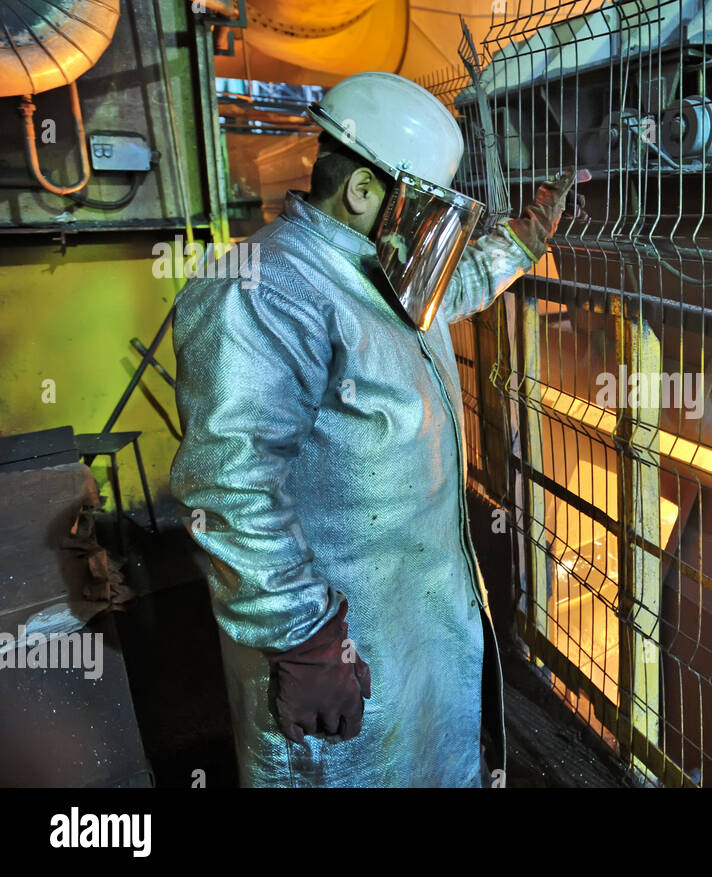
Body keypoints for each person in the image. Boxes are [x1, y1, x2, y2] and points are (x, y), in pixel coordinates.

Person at [170, 71, 587, 787]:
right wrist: (305, 643)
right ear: (363, 190)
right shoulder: (265, 290)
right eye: (425, 211)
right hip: (341, 653)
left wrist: (521, 240)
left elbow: (445, 292)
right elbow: (230, 486)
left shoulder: (370, 269)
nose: (431, 233)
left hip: (410, 631)